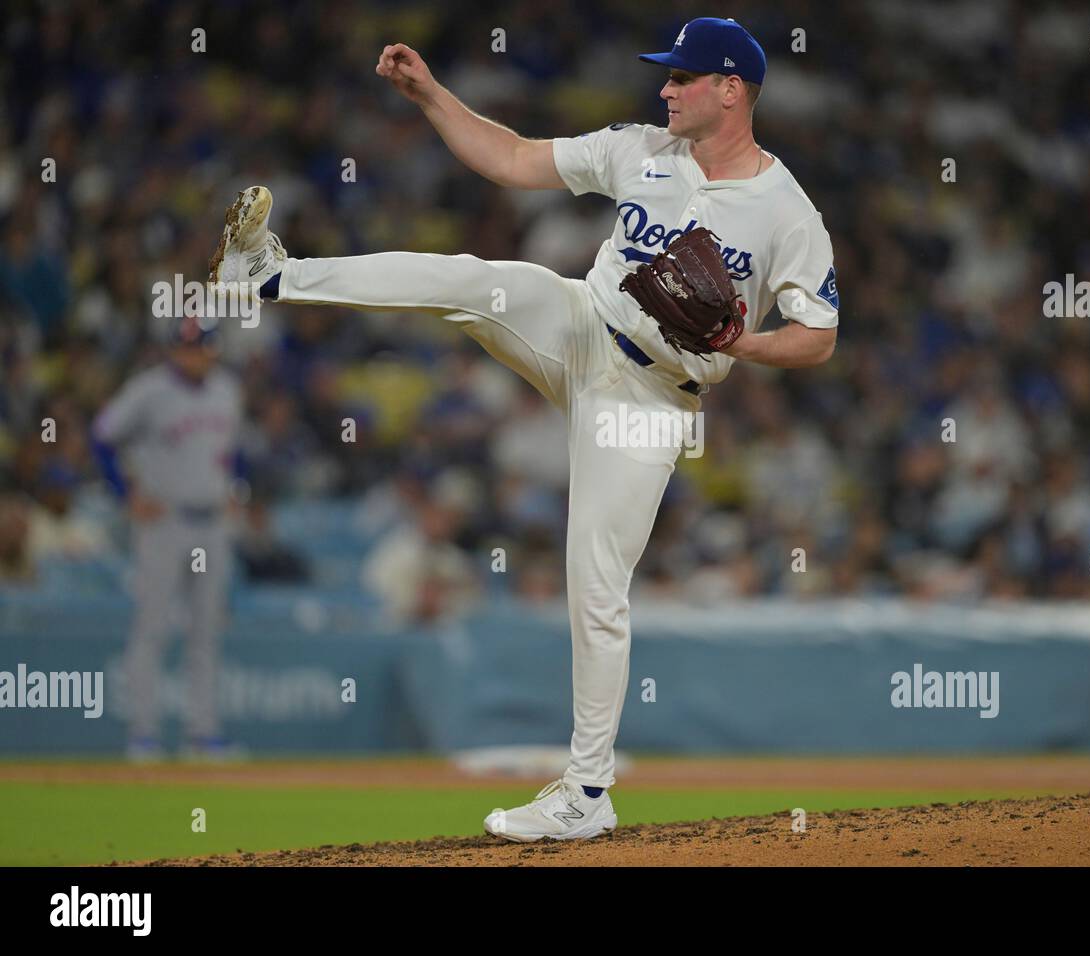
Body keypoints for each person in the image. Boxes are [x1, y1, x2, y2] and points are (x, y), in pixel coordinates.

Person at [207, 17, 838, 840]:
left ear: (730, 89)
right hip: (581, 322)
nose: (665, 87)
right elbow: (510, 157)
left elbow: (818, 336)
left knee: (596, 581)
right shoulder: (640, 148)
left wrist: (740, 343)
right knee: (468, 281)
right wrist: (432, 96)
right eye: (668, 74)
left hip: (651, 398)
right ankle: (269, 274)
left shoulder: (787, 211)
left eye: (682, 77)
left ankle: (587, 793)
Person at [91, 312, 244, 762]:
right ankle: (143, 734)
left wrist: (235, 490)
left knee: (206, 630)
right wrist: (125, 494)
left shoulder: (227, 390)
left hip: (212, 522)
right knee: (153, 627)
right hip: (165, 522)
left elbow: (231, 454)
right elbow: (102, 438)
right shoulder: (149, 390)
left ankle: (203, 734)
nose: (195, 355)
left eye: (202, 347)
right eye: (188, 347)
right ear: (174, 349)